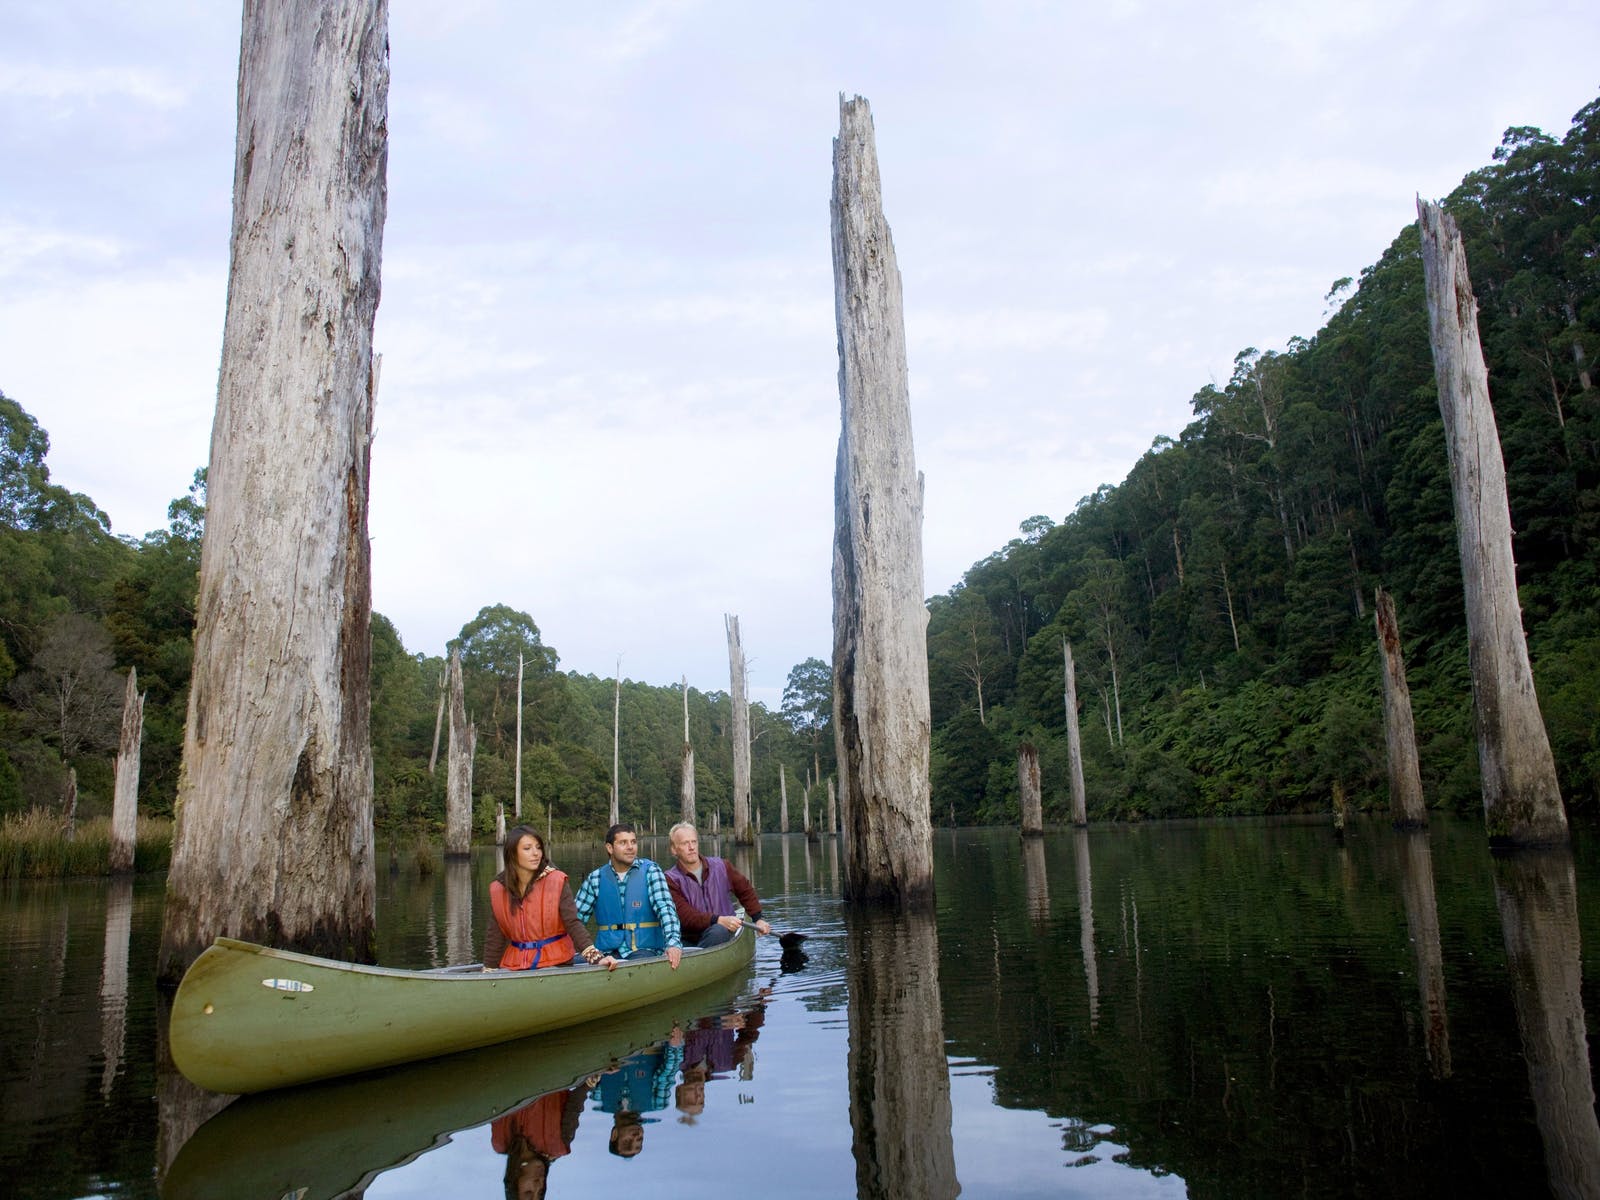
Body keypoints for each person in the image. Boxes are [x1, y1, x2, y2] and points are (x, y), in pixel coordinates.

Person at [485, 825, 616, 970]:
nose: (536, 853)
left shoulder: (557, 880)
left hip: (555, 962)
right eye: (527, 849)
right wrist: (488, 970)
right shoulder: (499, 888)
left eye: (538, 847)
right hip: (515, 964)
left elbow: (572, 923)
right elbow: (495, 936)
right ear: (512, 854)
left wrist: (596, 958)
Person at [574, 822, 682, 967]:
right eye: (623, 843)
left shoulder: (651, 871)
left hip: (645, 950)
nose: (631, 847)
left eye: (633, 842)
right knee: (570, 962)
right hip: (606, 952)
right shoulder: (596, 878)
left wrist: (673, 943)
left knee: (638, 961)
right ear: (609, 848)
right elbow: (575, 921)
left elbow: (666, 909)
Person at [663, 821, 771, 948]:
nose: (691, 847)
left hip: (725, 933)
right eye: (685, 843)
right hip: (690, 938)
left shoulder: (722, 866)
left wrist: (758, 918)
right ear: (674, 850)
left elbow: (745, 890)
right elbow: (686, 916)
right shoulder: (669, 879)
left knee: (718, 931)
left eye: (694, 842)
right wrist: (717, 920)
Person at [491, 1081, 590, 1200]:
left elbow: (493, 1093)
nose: (539, 1185)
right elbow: (581, 1092)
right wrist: (593, 1079)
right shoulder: (559, 1143)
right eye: (541, 1192)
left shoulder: (501, 1140)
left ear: (514, 1182)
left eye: (528, 1192)